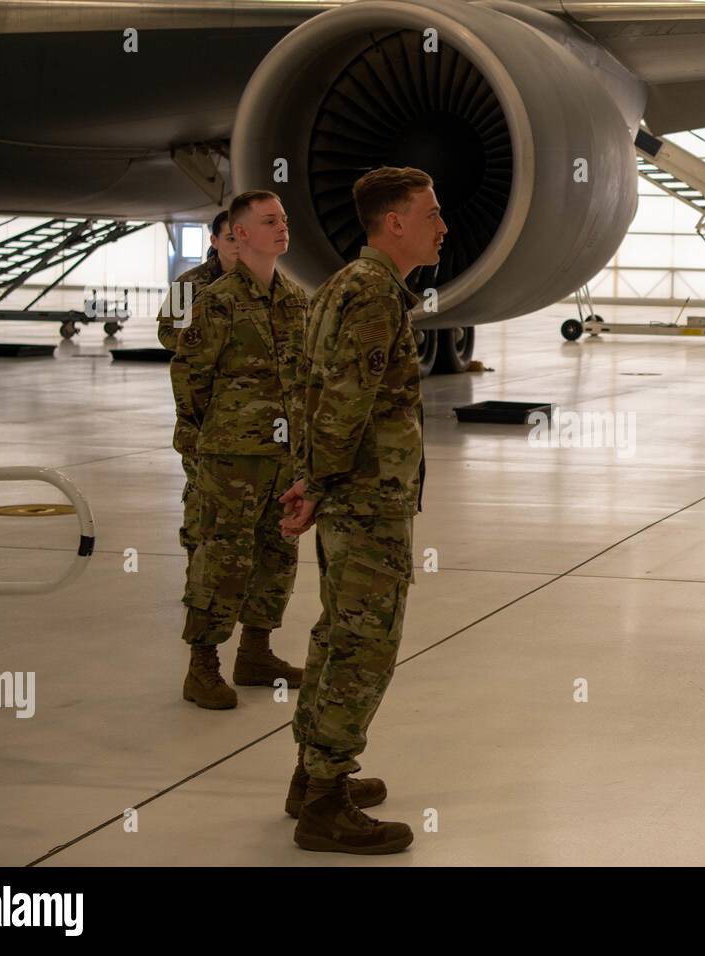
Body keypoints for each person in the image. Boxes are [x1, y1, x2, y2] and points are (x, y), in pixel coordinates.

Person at [278, 166, 444, 854]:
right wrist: (314, 483)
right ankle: (324, 803)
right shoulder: (375, 295)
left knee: (335, 635)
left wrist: (308, 478)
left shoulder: (342, 285)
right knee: (363, 647)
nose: (443, 224)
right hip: (368, 498)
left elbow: (307, 388)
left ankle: (312, 774)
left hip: (350, 492)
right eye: (431, 213)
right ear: (395, 223)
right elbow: (345, 400)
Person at [170, 191, 308, 709]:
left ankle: (256, 652)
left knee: (277, 553)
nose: (282, 227)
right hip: (229, 457)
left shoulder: (296, 299)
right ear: (241, 233)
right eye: (270, 220)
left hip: (282, 455)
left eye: (284, 218)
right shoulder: (217, 300)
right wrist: (210, 438)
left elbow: (304, 378)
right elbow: (189, 377)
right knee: (222, 554)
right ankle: (202, 665)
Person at [159, 210, 238, 570]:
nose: (238, 245)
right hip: (202, 410)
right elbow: (165, 333)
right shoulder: (189, 284)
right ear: (215, 241)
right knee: (202, 493)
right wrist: (208, 342)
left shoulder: (266, 282)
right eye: (230, 238)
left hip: (252, 415)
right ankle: (198, 567)